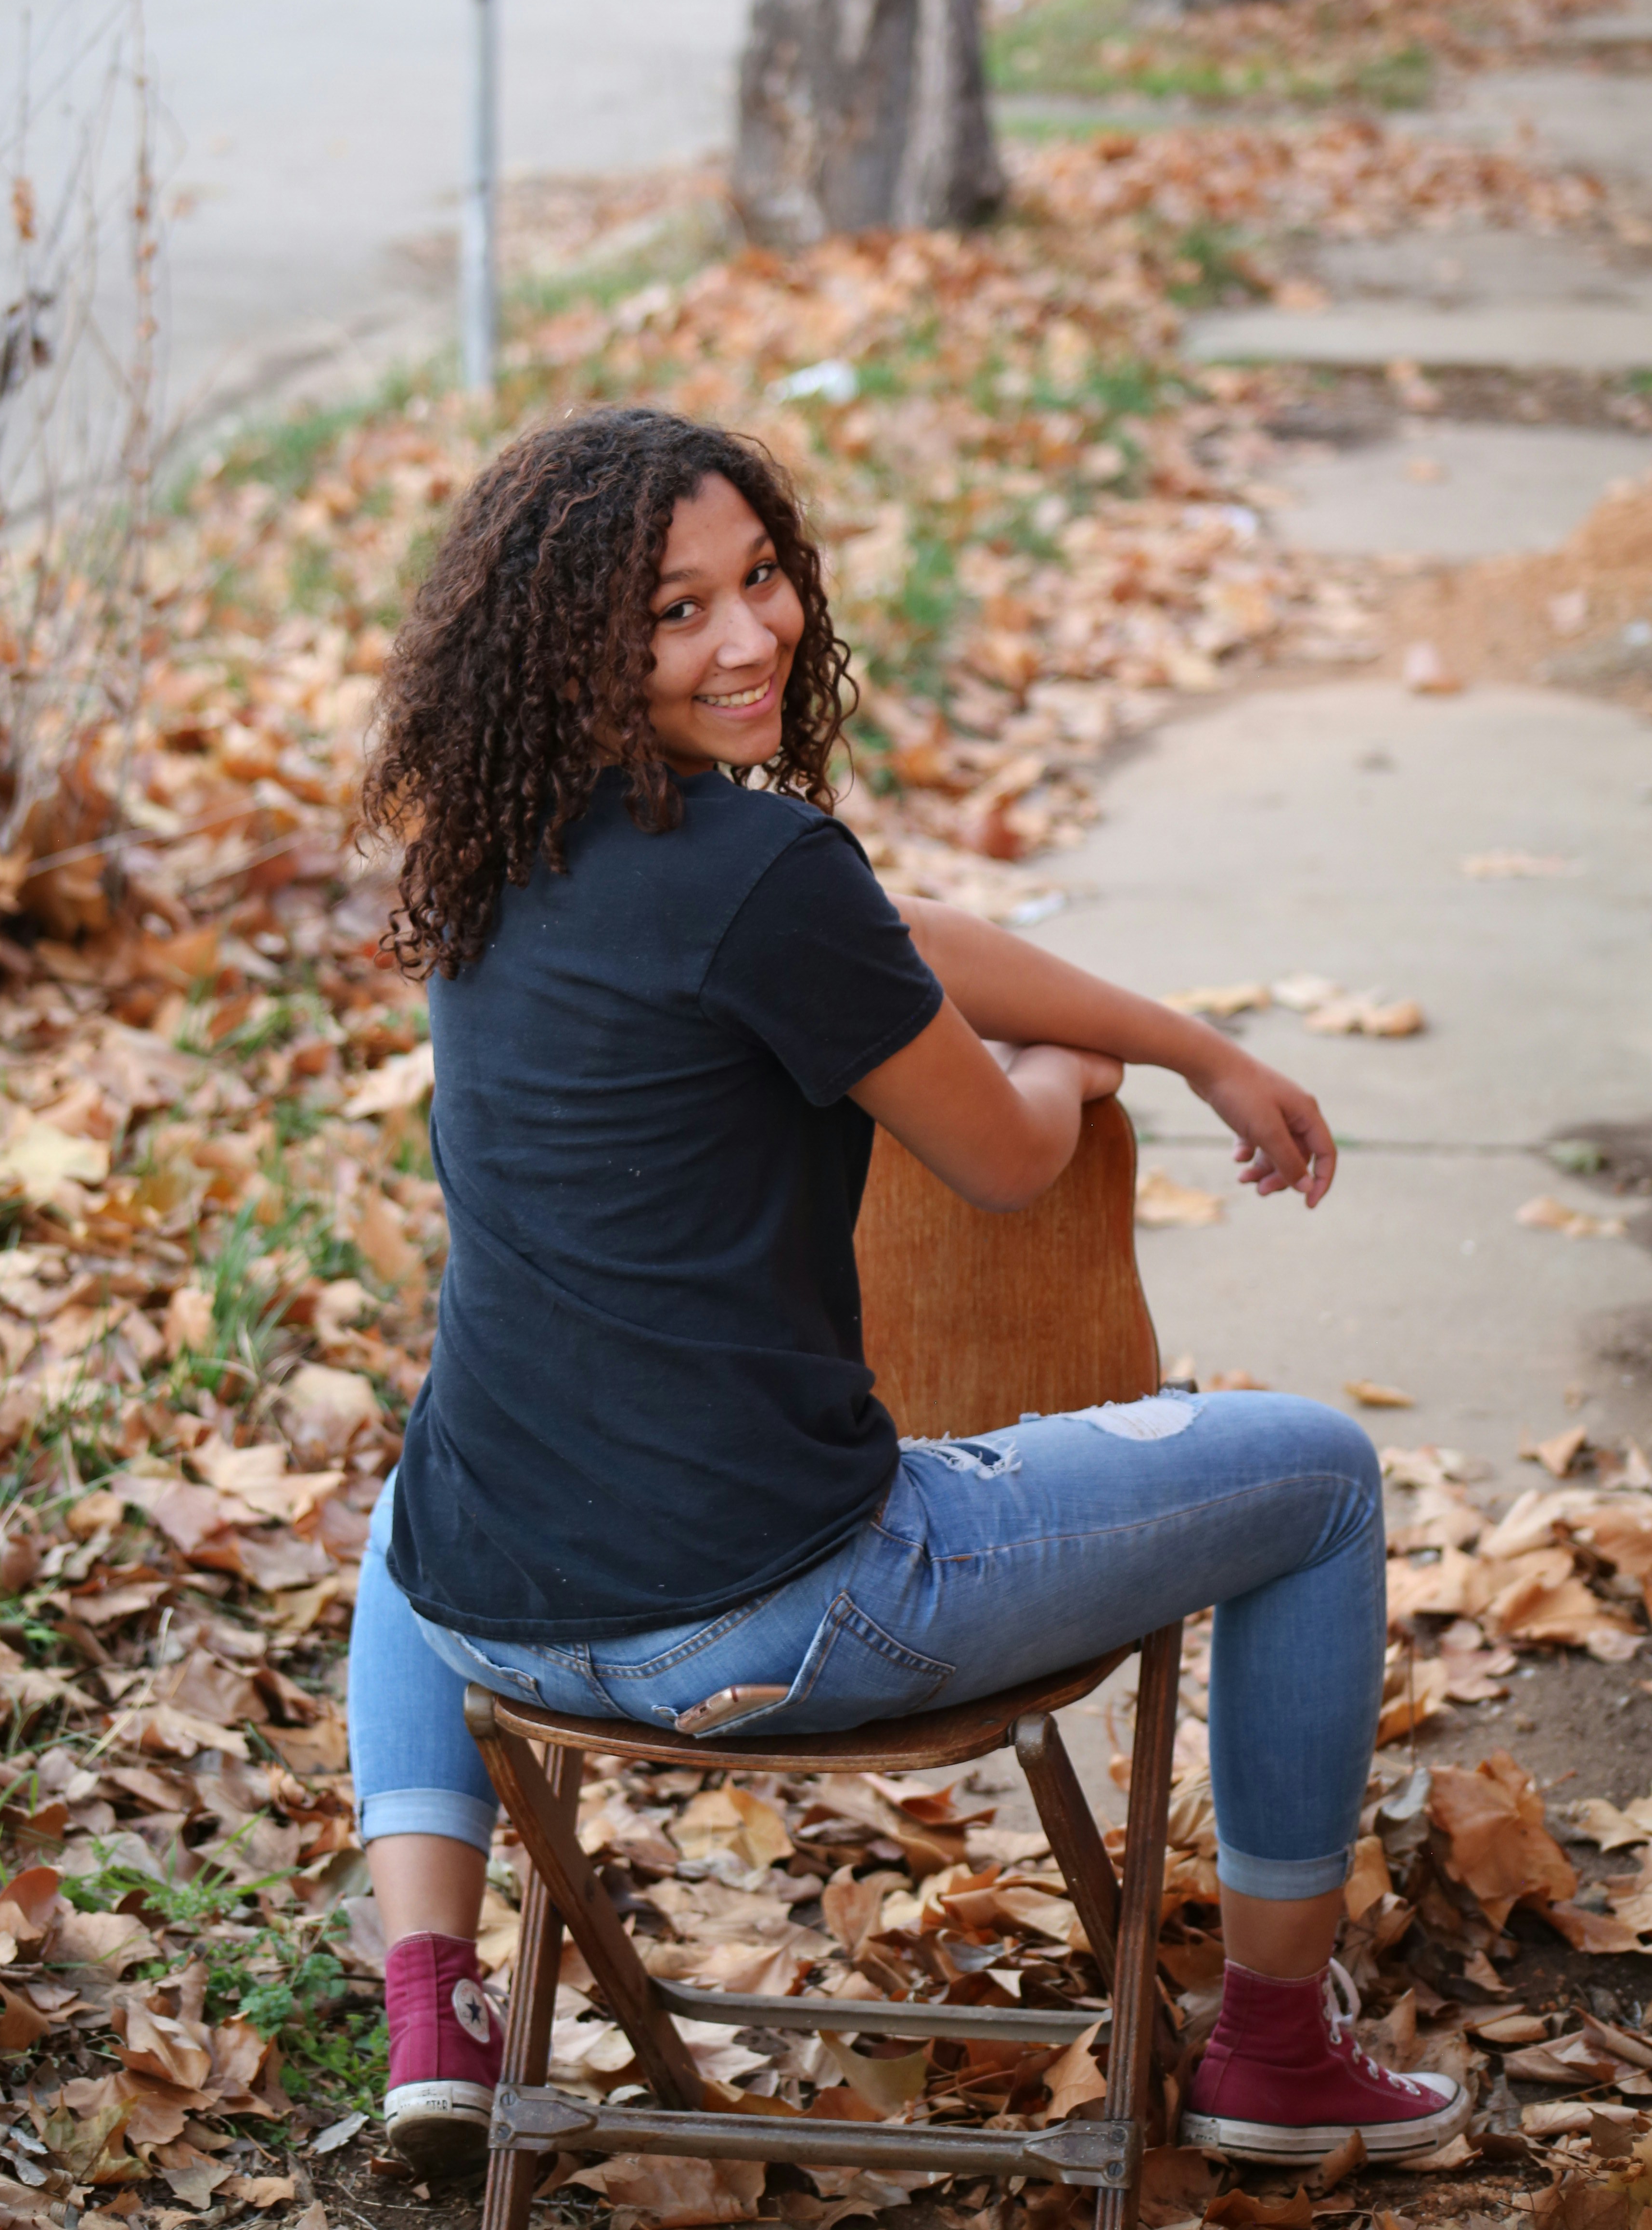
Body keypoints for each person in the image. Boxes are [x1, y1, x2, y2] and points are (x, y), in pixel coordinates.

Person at [347, 406, 1465, 2180]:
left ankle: (432, 2009)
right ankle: (1275, 2055)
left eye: (763, 579)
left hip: (489, 1608)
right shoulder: (756, 874)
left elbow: (888, 932)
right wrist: (1077, 1080)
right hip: (780, 1613)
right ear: (577, 644)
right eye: (675, 613)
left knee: (425, 1482)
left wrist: (1185, 1042)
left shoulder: (499, 853)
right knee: (1320, 1477)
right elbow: (1006, 1154)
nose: (749, 636)